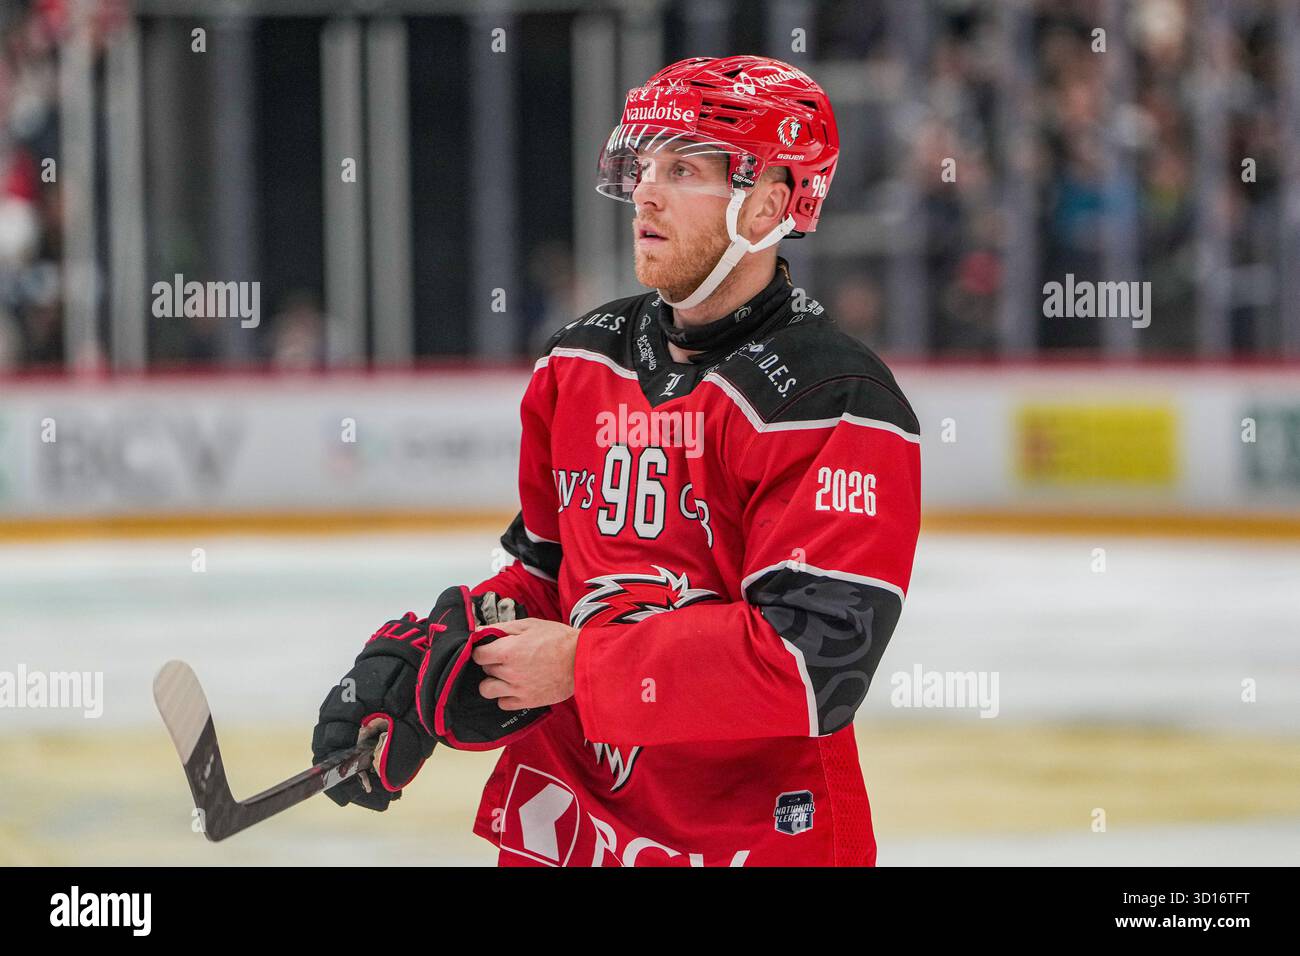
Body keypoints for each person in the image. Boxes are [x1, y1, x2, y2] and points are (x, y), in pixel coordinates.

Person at [312, 54, 922, 867]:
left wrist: (577, 667)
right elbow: (546, 571)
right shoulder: (582, 356)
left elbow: (814, 664)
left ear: (770, 202)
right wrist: (436, 654)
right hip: (573, 823)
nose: (647, 191)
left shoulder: (832, 394)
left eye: (684, 168)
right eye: (643, 166)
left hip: (749, 836)